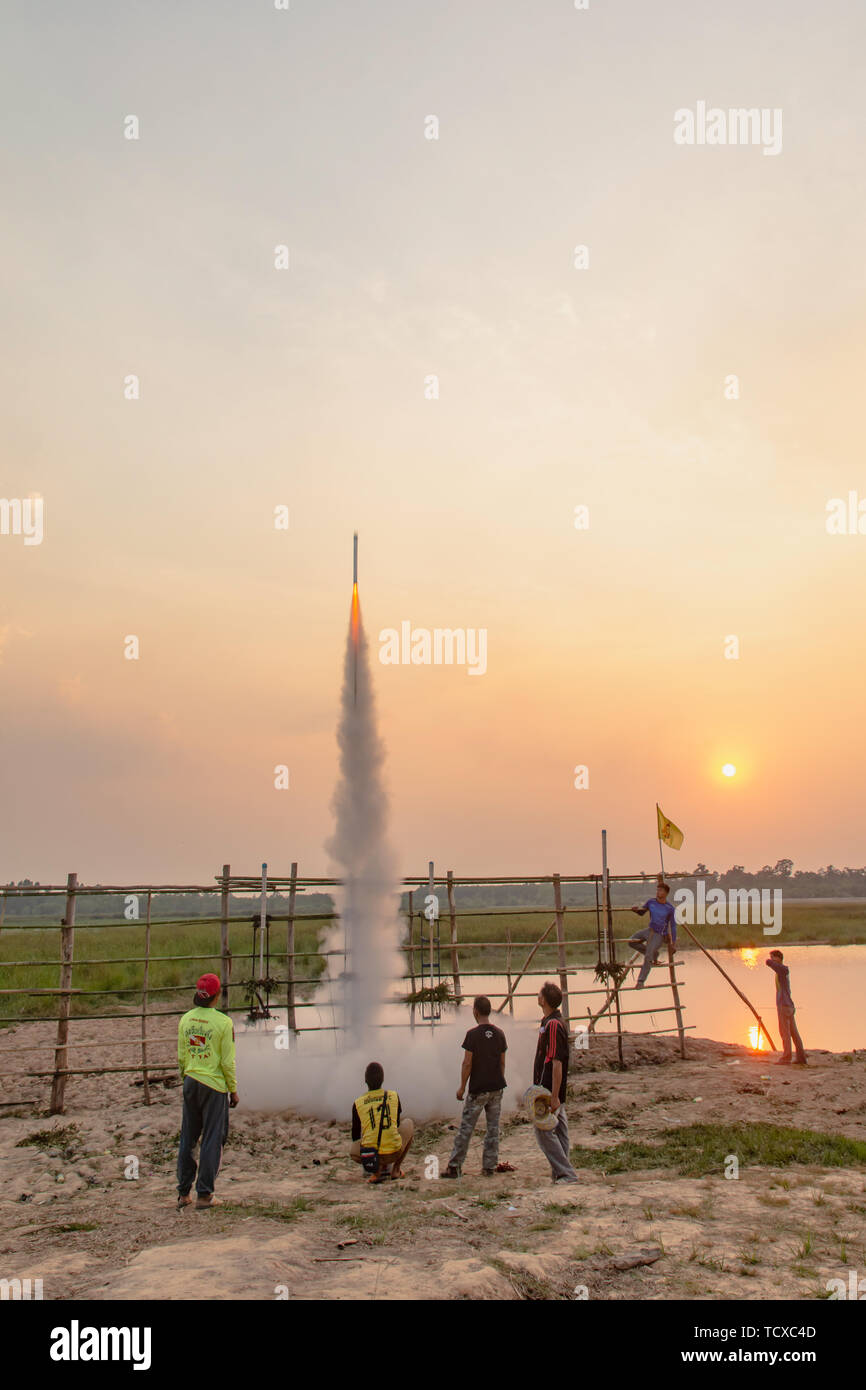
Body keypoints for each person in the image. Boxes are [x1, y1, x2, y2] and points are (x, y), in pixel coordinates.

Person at [176, 972, 238, 1211]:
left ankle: (183, 1193)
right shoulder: (223, 1023)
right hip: (214, 1086)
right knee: (213, 1138)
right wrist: (233, 1090)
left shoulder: (186, 1020)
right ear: (217, 995)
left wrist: (187, 1077)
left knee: (188, 1137)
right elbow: (227, 1062)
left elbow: (182, 1056)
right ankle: (205, 1193)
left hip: (191, 1080)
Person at [442, 995, 507, 1179]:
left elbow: (467, 1063)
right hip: (496, 1087)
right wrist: (499, 1080)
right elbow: (502, 1062)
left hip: (478, 1088)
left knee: (466, 1128)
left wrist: (462, 1087)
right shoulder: (500, 1034)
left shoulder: (472, 1035)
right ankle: (489, 1167)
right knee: (493, 1128)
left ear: (475, 1012)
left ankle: (455, 1166)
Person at [532, 982, 579, 1184]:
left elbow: (556, 1062)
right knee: (559, 1130)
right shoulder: (549, 1021)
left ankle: (566, 1173)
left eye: (539, 993)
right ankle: (560, 1172)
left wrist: (554, 1096)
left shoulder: (553, 1025)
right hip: (548, 1087)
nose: (537, 996)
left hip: (549, 1087)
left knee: (543, 1131)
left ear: (544, 1000)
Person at [349, 1062, 415, 1184]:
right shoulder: (393, 1096)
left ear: (365, 1080)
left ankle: (375, 1171)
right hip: (393, 1153)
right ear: (383, 1079)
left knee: (354, 1149)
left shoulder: (358, 1103)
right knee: (409, 1123)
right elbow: (395, 1125)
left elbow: (355, 1136)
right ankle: (396, 1169)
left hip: (371, 1155)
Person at [628, 881, 677, 988]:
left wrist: (673, 943)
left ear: (666, 893)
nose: (657, 892)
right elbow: (642, 912)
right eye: (657, 890)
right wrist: (636, 910)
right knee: (631, 941)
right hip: (649, 930)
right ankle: (654, 955)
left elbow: (673, 926)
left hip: (659, 935)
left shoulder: (670, 908)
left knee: (648, 956)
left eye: (660, 890)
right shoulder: (651, 902)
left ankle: (641, 981)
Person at [765, 950, 807, 1065]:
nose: (771, 959)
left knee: (785, 1033)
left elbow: (769, 963)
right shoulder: (782, 970)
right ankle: (800, 1057)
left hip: (784, 1006)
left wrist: (770, 961)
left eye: (773, 957)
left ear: (778, 958)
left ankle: (786, 1057)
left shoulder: (782, 970)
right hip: (789, 1005)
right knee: (793, 1033)